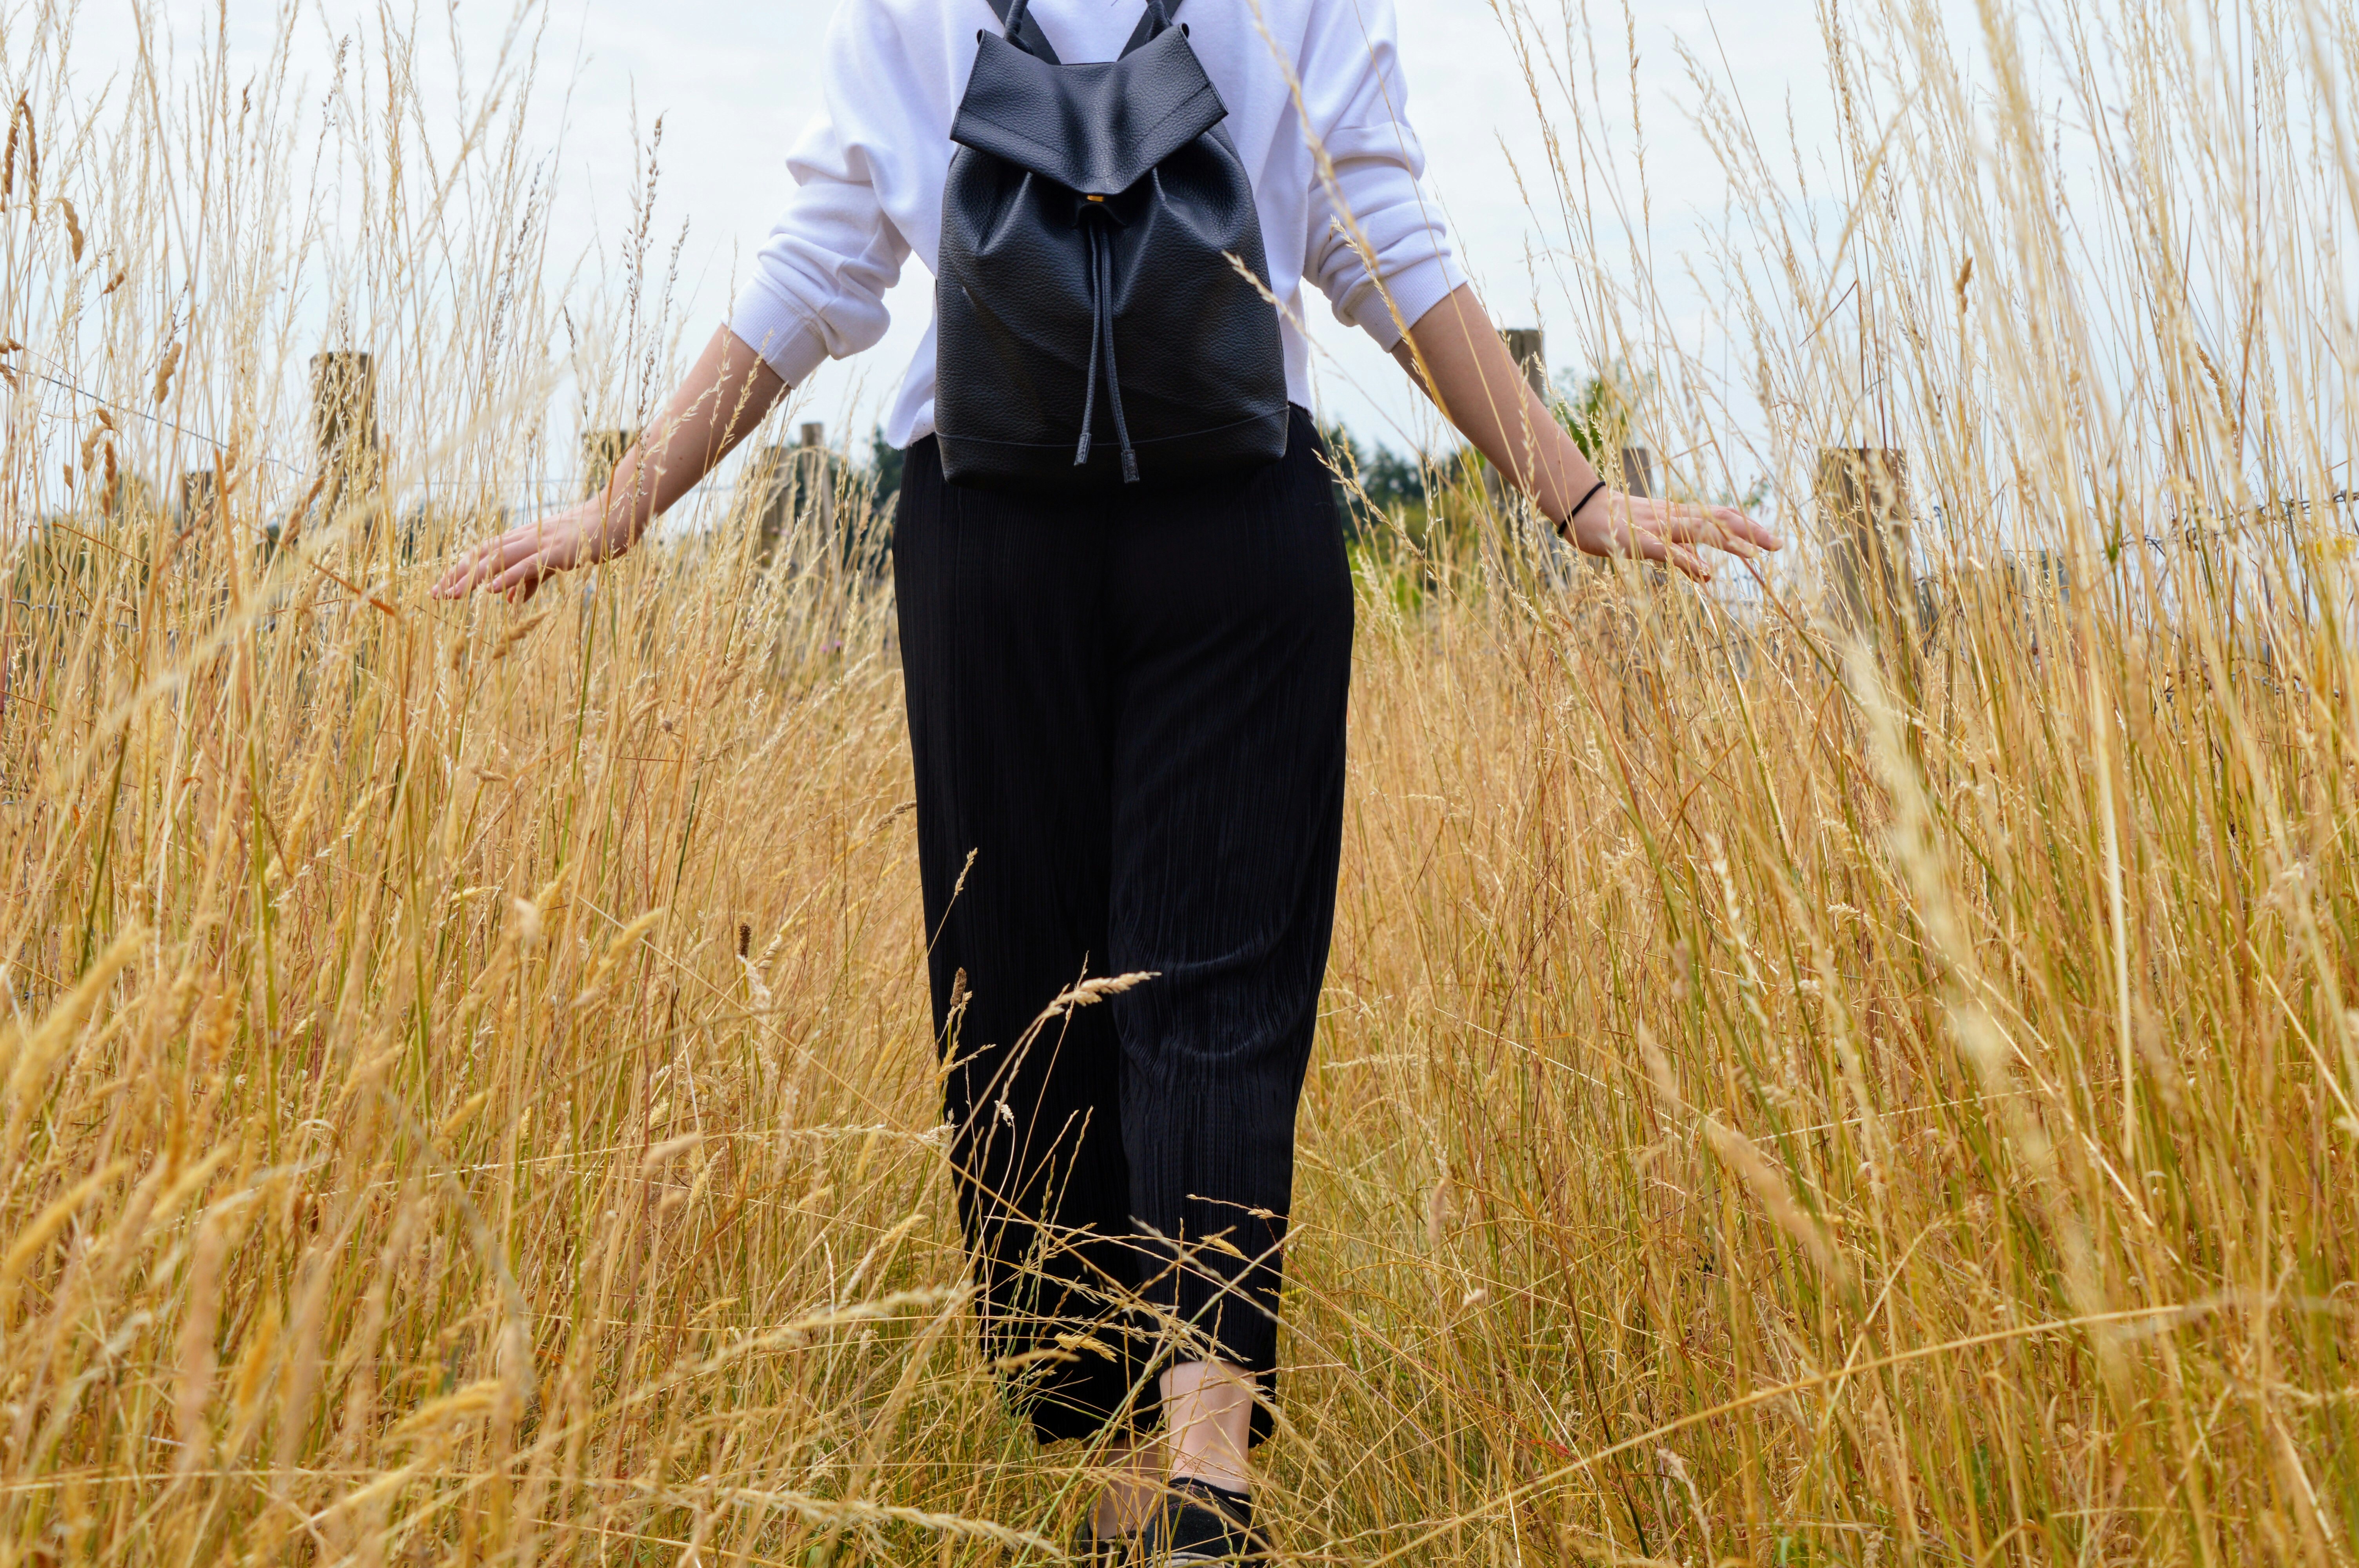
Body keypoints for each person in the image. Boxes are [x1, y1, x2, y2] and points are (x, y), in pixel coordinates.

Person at [435, 0, 1778, 1555]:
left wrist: (623, 502)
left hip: (988, 525)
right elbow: (1376, 233)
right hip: (1236, 511)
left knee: (1025, 998)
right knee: (1213, 989)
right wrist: (1577, 493)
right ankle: (1194, 1477)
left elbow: (826, 260)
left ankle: (1159, 1474)